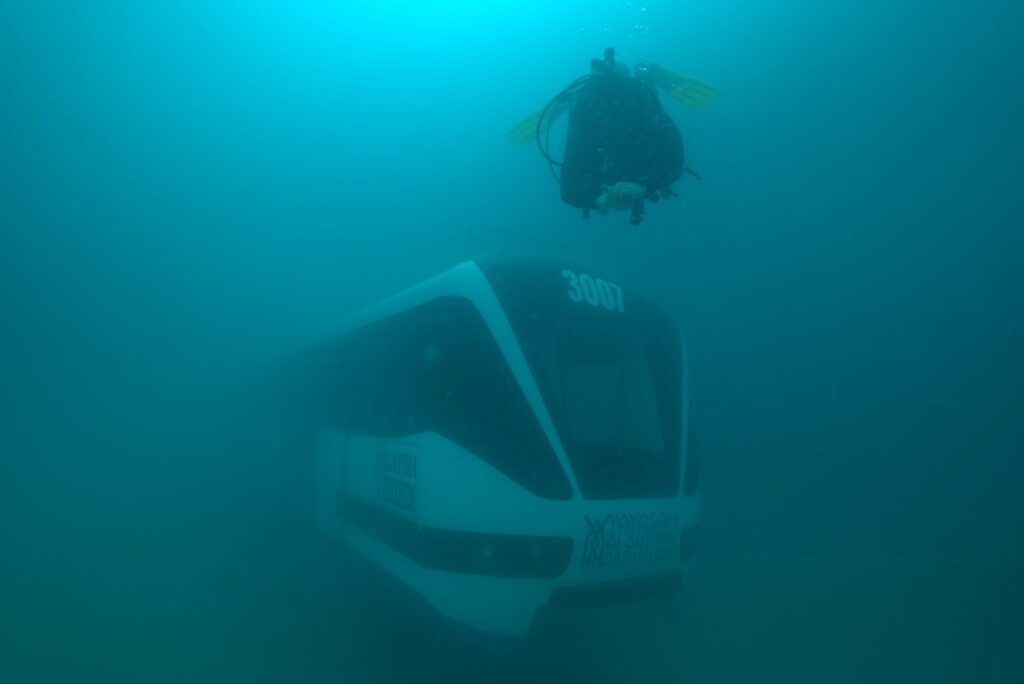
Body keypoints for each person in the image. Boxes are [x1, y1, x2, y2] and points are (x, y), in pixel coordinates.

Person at [508, 48, 718, 225]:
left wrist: (641, 188)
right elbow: (570, 191)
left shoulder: (637, 103)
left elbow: (674, 161)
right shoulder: (589, 114)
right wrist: (604, 199)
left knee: (644, 89)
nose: (613, 113)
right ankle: (641, 72)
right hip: (626, 166)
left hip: (634, 161)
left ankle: (645, 71)